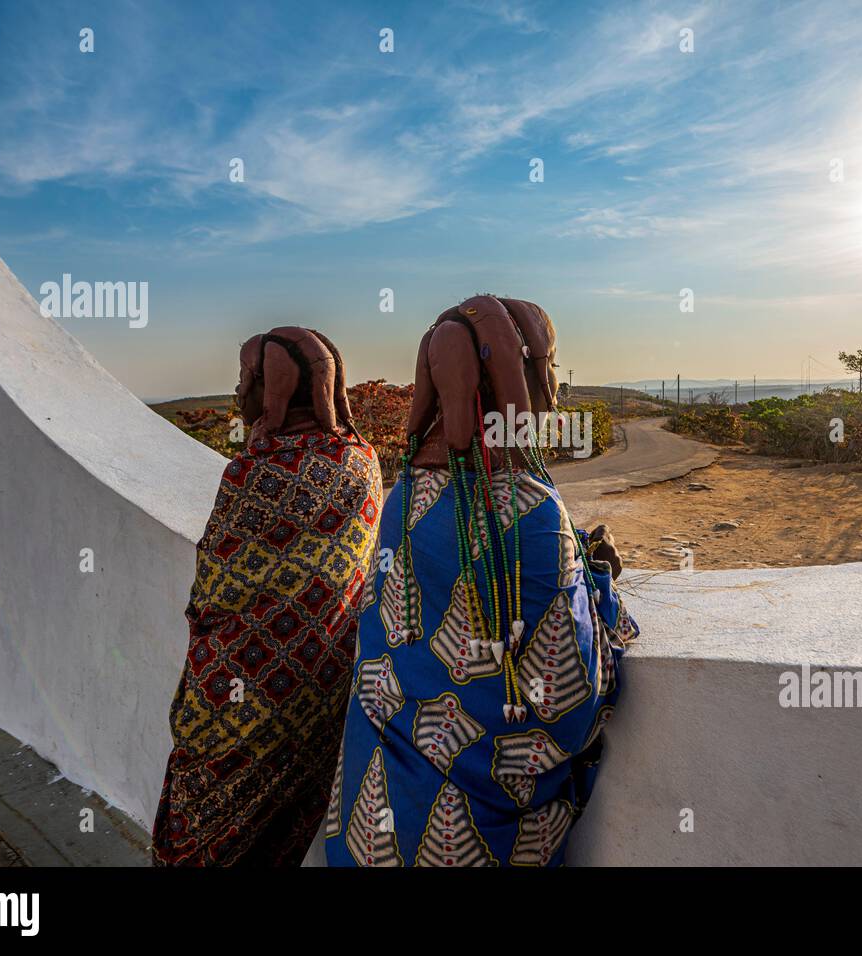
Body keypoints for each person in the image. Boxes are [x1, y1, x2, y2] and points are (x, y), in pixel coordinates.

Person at [325, 295, 637, 867]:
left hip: (370, 830)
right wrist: (600, 586)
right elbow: (569, 706)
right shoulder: (533, 515)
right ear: (522, 376)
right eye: (549, 367)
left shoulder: (403, 497)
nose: (557, 390)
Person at [152, 327, 382, 866]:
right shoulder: (363, 460)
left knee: (198, 842)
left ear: (274, 390)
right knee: (278, 839)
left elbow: (212, 590)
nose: (238, 394)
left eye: (245, 380)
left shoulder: (254, 473)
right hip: (322, 693)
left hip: (237, 706)